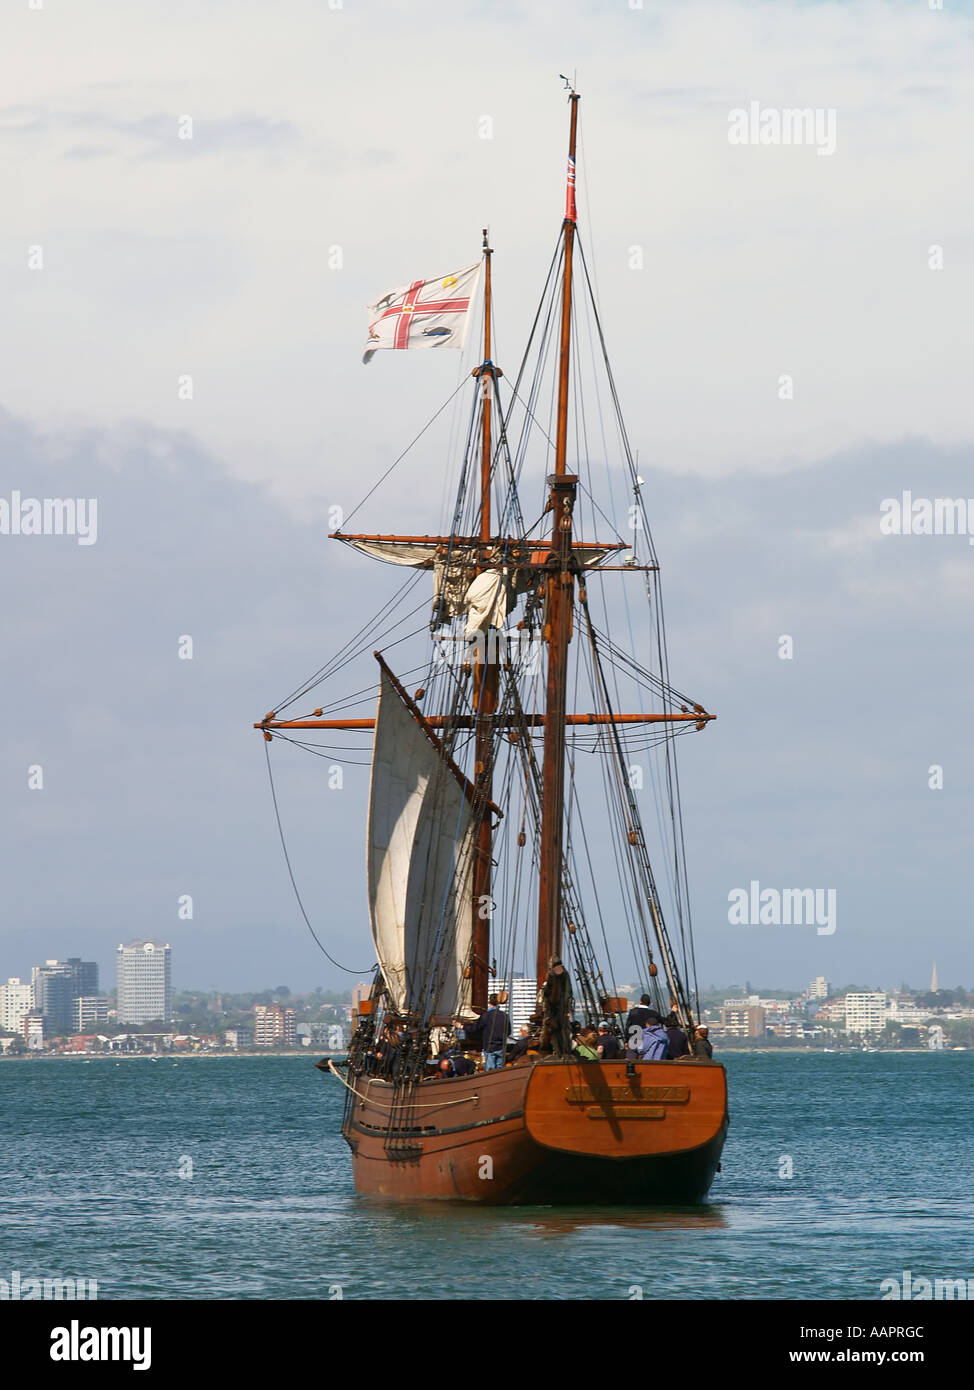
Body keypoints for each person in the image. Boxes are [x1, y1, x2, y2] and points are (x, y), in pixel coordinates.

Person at [470, 993, 510, 1070]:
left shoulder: (486, 1016)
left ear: (489, 1002)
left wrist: (461, 1026)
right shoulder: (505, 1015)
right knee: (500, 1071)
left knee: (490, 1071)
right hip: (501, 1047)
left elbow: (475, 1028)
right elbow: (508, 1032)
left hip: (490, 1048)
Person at [625, 994, 658, 1058]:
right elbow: (663, 1020)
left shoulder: (633, 1012)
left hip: (634, 1040)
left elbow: (628, 1027)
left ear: (640, 1001)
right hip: (646, 1041)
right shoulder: (653, 1013)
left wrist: (626, 1041)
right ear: (649, 1003)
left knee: (631, 1061)